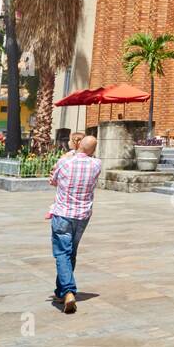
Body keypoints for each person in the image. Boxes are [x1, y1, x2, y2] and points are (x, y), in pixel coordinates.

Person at [47, 134, 103, 314]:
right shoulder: (96, 165)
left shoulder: (65, 163)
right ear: (93, 150)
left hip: (63, 214)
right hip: (82, 216)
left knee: (62, 253)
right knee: (71, 252)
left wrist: (71, 153)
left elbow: (53, 181)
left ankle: (69, 290)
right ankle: (60, 291)